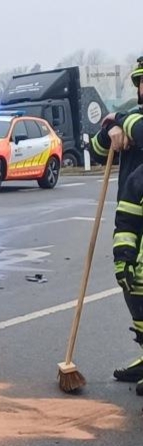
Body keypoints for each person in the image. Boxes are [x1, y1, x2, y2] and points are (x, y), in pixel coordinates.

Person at [87, 57, 143, 386]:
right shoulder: (131, 118)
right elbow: (97, 151)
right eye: (140, 82)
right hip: (130, 212)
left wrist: (121, 119)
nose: (142, 87)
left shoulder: (133, 119)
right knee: (131, 284)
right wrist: (109, 130)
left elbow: (139, 128)